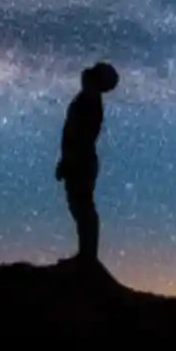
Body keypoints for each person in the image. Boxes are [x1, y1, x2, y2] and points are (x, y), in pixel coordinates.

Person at [55, 62, 120, 262]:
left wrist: (68, 161)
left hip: (81, 161)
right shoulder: (88, 99)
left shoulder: (89, 101)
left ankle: (87, 256)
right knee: (80, 206)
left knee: (82, 206)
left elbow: (79, 137)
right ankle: (86, 254)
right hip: (80, 159)